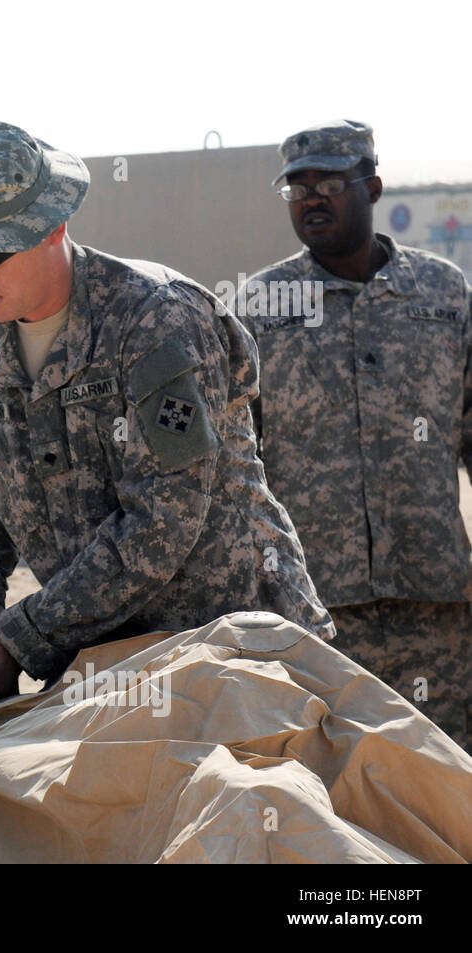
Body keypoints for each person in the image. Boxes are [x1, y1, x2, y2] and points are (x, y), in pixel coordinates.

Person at [0, 121, 334, 711]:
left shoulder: (155, 321)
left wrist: (15, 641)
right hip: (103, 670)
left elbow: (165, 517)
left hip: (239, 655)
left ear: (53, 226)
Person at [240, 120, 471, 750]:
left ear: (372, 186)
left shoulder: (445, 294)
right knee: (340, 786)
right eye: (298, 188)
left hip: (437, 604)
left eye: (331, 183)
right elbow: (234, 464)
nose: (313, 198)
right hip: (316, 611)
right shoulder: (261, 306)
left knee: (449, 780)